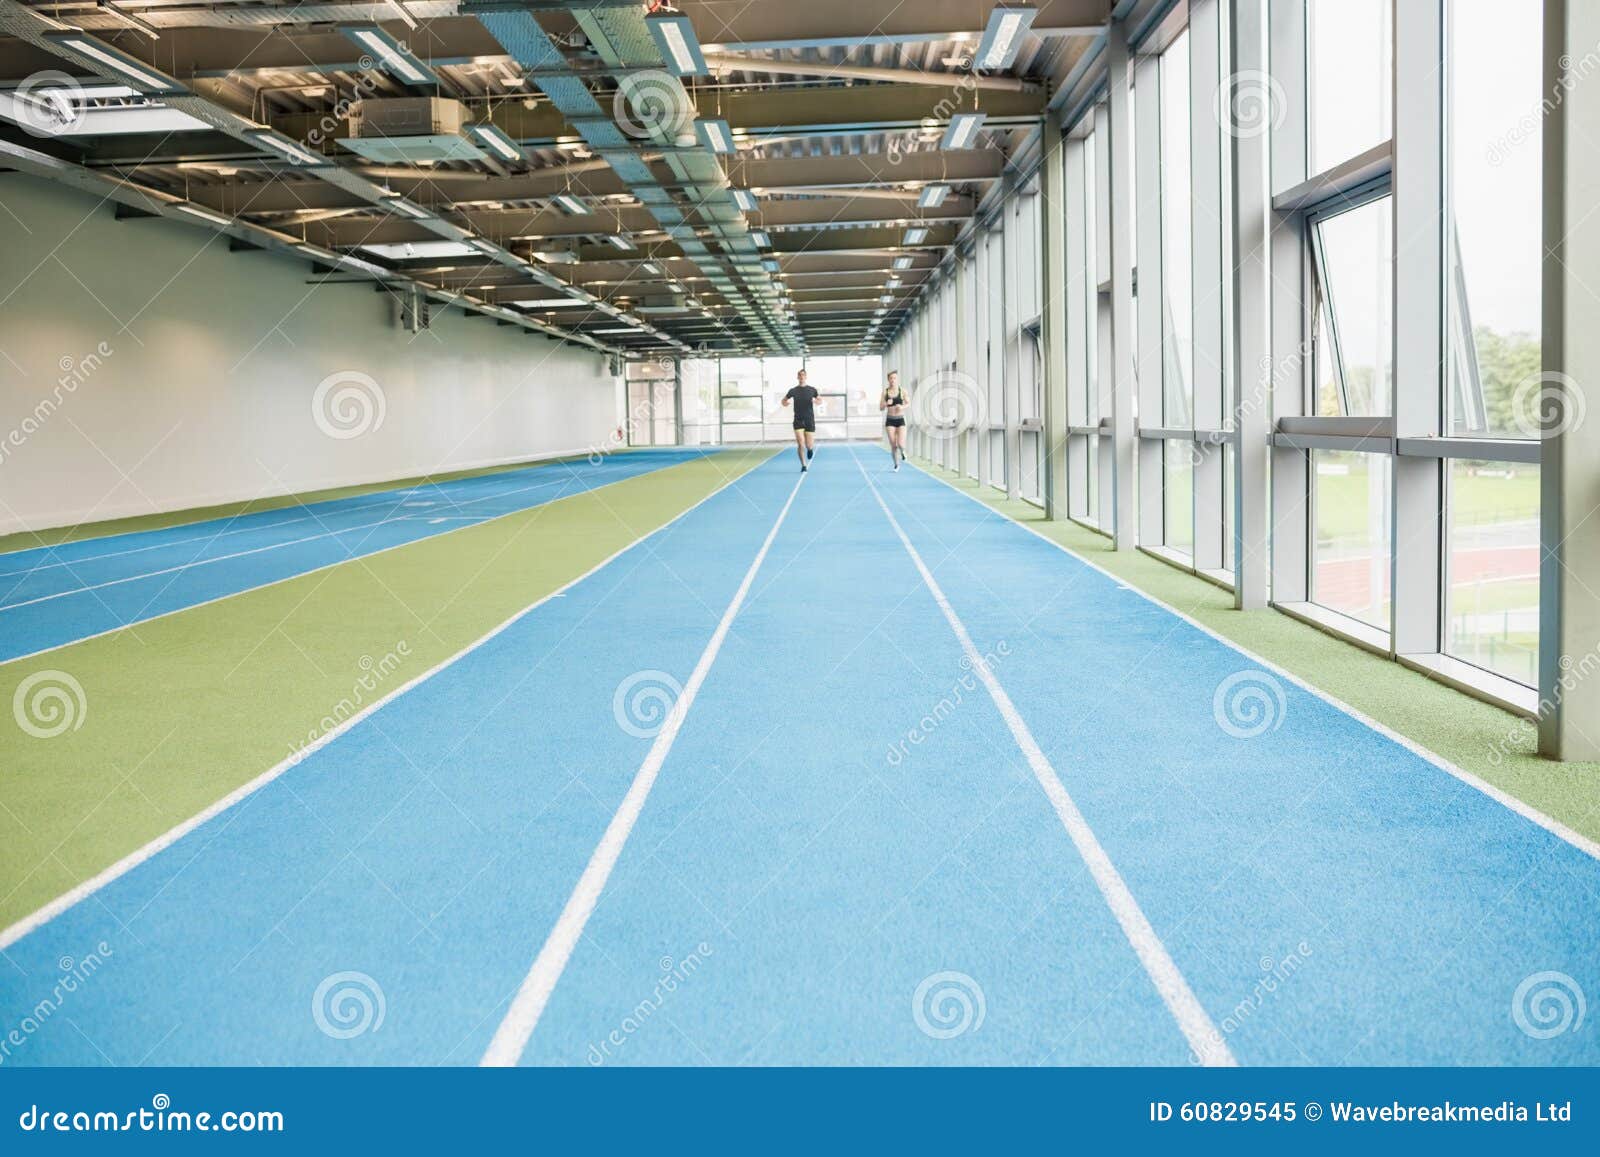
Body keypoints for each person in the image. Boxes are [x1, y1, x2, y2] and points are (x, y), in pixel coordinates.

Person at [781, 368, 819, 471]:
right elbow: (783, 400)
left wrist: (817, 401)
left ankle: (810, 449)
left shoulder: (812, 389)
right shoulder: (793, 390)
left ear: (806, 377)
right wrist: (785, 403)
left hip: (809, 420)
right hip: (798, 420)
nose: (801, 377)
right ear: (797, 377)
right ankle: (803, 465)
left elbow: (819, 399)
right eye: (800, 375)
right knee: (801, 443)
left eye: (803, 375)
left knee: (808, 445)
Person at [880, 370, 907, 471]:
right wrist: (886, 403)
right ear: (888, 380)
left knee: (900, 444)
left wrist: (902, 407)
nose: (893, 380)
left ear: (897, 379)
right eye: (891, 378)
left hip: (900, 419)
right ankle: (896, 465)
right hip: (890, 420)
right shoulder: (885, 392)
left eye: (894, 378)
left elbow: (908, 403)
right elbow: (881, 408)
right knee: (893, 445)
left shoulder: (902, 391)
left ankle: (903, 451)